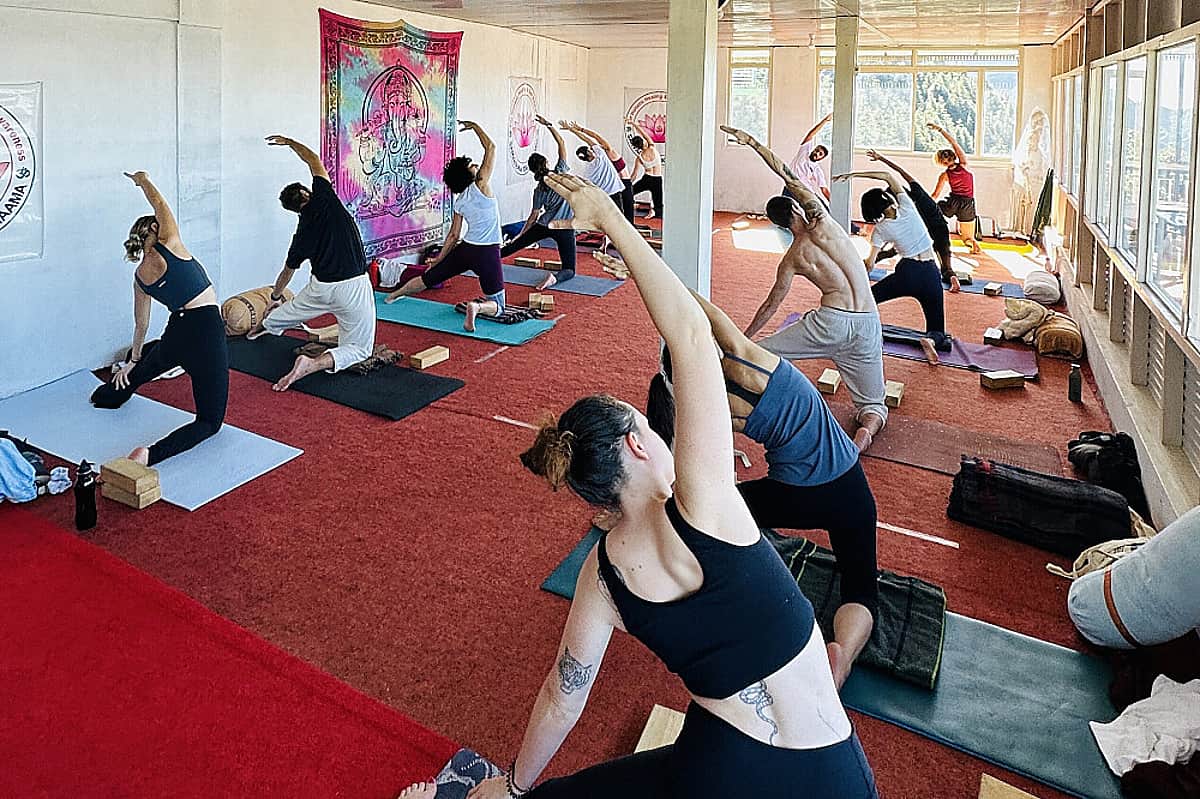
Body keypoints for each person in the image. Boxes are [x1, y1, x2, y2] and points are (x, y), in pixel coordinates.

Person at [399, 172, 876, 799]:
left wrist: (514, 783)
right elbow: (690, 332)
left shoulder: (600, 576)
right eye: (649, 426)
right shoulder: (707, 502)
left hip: (717, 761)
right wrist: (614, 223)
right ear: (636, 443)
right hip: (825, 775)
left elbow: (561, 698)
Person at [647, 291, 879, 688]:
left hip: (797, 496)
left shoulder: (714, 407)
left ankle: (696, 579)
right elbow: (711, 313)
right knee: (860, 585)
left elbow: (704, 479)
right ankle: (843, 653)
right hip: (852, 487)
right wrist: (664, 283)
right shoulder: (753, 361)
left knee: (705, 513)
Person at [720, 124, 888, 451]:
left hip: (830, 322)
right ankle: (863, 435)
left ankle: (733, 406)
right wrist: (752, 142)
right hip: (868, 320)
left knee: (760, 356)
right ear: (797, 208)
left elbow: (770, 306)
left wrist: (744, 340)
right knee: (874, 405)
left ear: (778, 224)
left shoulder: (792, 258)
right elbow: (786, 173)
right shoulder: (823, 219)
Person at [90, 171, 227, 466]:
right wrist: (143, 180)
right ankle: (149, 455)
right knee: (209, 421)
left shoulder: (140, 277)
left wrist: (133, 361)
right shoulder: (171, 243)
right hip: (206, 329)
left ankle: (106, 396)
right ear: (156, 227)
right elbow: (159, 201)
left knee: (142, 371)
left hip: (176, 332)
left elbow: (141, 323)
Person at [248, 135, 376, 390]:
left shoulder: (302, 233)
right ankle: (311, 365)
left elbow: (288, 271)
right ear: (307, 191)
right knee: (360, 349)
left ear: (294, 210)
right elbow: (313, 160)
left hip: (320, 290)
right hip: (353, 288)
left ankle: (261, 328)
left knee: (289, 311)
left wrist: (274, 296)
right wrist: (290, 142)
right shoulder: (325, 197)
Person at [384, 121, 505, 332]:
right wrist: (476, 126)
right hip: (487, 251)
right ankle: (476, 307)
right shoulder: (482, 184)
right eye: (472, 165)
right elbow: (491, 147)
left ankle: (393, 296)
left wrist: (439, 261)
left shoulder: (459, 202)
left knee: (427, 279)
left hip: (466, 249)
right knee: (499, 305)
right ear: (468, 174)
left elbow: (453, 236)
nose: (476, 165)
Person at [835, 166, 951, 363]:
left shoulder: (880, 230)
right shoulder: (907, 207)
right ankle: (931, 340)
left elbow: (870, 264)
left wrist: (851, 272)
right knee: (938, 330)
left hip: (907, 274)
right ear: (889, 201)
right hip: (931, 273)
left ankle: (837, 324)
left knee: (866, 299)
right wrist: (854, 174)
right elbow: (887, 175)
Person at [863, 149, 961, 292]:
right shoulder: (916, 191)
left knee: (892, 251)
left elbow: (894, 231)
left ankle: (866, 265)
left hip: (922, 234)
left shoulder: (905, 209)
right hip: (940, 227)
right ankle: (952, 277)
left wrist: (880, 244)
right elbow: (900, 171)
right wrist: (882, 158)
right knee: (946, 266)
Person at [502, 115, 578, 291]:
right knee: (569, 270)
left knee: (511, 248)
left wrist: (521, 236)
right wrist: (549, 125)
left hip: (545, 225)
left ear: (532, 170)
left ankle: (487, 258)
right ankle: (553, 279)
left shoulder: (539, 190)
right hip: (565, 227)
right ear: (547, 163)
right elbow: (562, 144)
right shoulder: (560, 173)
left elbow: (533, 216)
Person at [928, 122, 983, 255]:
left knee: (934, 213)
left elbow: (935, 195)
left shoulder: (945, 175)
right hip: (967, 204)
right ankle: (972, 244)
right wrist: (940, 130)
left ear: (941, 162)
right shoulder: (963, 164)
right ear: (953, 157)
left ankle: (935, 238)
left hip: (952, 203)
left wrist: (921, 204)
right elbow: (954, 143)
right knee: (967, 238)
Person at [560, 120, 627, 213]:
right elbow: (588, 138)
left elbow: (587, 184)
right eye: (590, 149)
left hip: (602, 196)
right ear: (588, 152)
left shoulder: (588, 171)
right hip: (614, 192)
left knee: (605, 218)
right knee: (619, 216)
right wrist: (572, 129)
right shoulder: (600, 155)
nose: (592, 149)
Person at [783, 112, 832, 204]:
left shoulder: (817, 170)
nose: (816, 153)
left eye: (820, 154)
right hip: (790, 188)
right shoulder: (804, 152)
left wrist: (834, 203)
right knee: (781, 210)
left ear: (821, 158)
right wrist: (825, 121)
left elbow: (824, 190)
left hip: (806, 192)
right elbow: (811, 134)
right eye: (816, 150)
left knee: (823, 210)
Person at [627, 116, 664, 219]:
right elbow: (644, 133)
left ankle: (630, 205)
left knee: (631, 192)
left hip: (647, 179)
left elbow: (634, 175)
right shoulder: (651, 147)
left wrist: (627, 185)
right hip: (657, 179)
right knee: (658, 204)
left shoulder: (639, 158)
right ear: (643, 142)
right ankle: (653, 211)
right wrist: (633, 124)